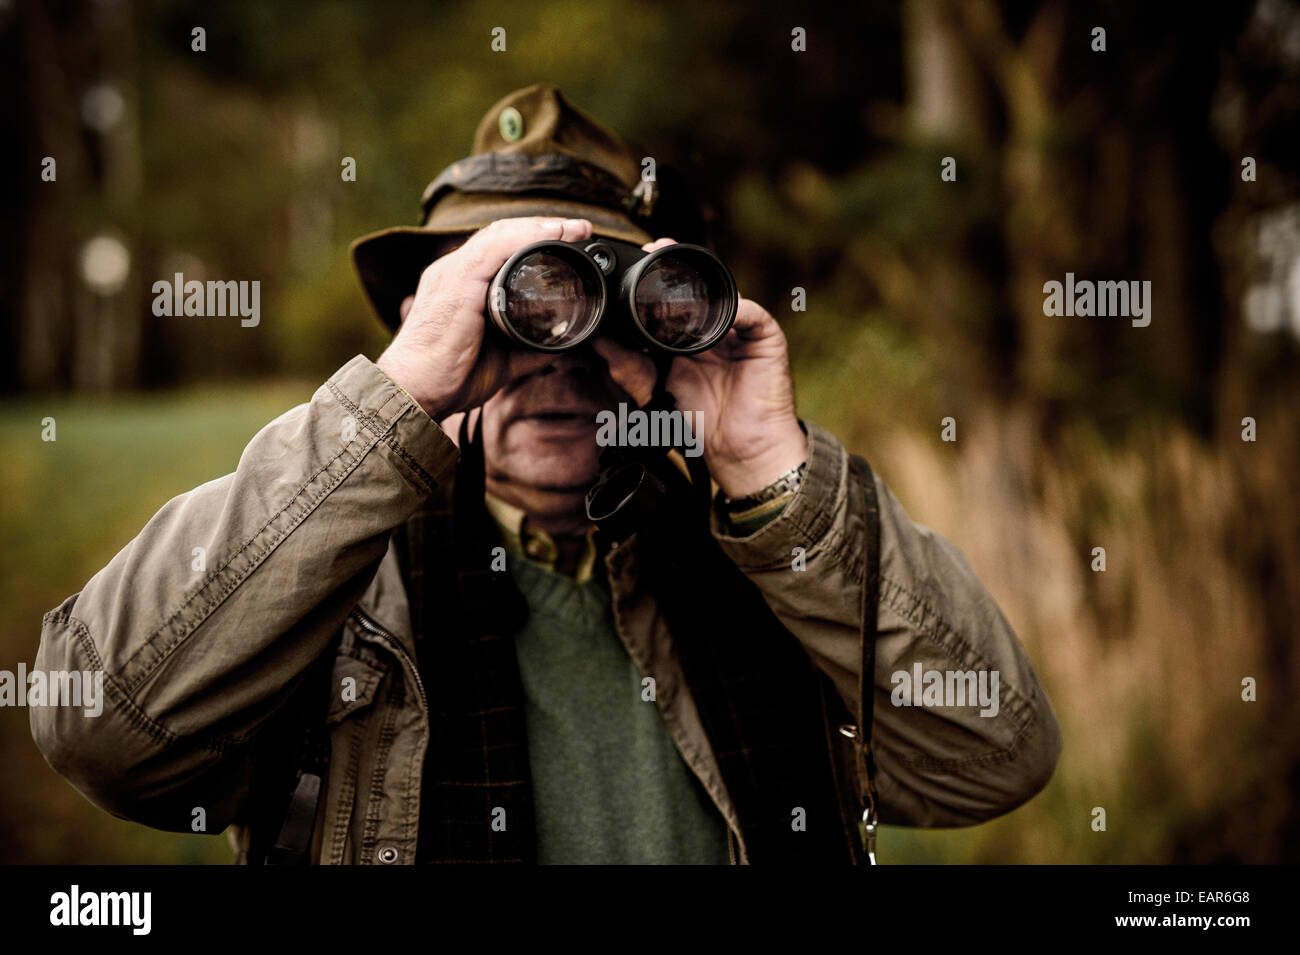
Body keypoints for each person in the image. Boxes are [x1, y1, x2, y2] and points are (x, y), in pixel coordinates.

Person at [31, 83, 1061, 864]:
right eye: (510, 308)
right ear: (423, 324)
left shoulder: (761, 562)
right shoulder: (325, 582)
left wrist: (767, 469)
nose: (553, 360)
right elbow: (101, 729)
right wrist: (392, 408)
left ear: (660, 320)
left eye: (596, 307)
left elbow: (988, 757)